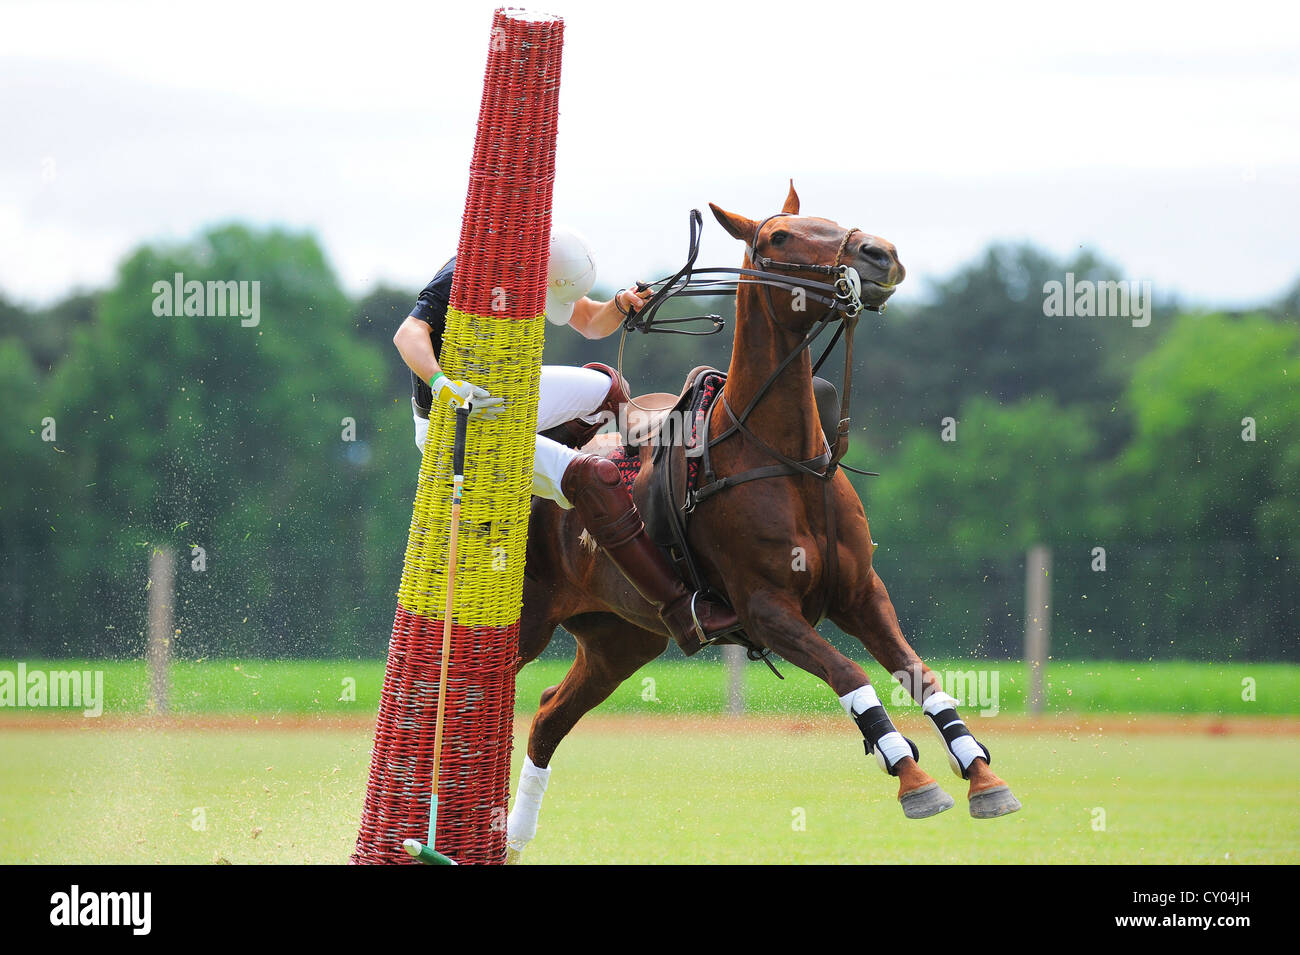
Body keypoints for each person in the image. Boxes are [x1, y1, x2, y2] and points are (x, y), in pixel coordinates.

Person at [392, 227, 739, 652]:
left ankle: (565, 486)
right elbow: (407, 334)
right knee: (595, 477)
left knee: (607, 389)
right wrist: (441, 382)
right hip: (457, 423)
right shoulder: (463, 276)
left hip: (505, 397)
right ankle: (682, 609)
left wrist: (619, 304)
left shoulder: (535, 261)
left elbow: (592, 322)